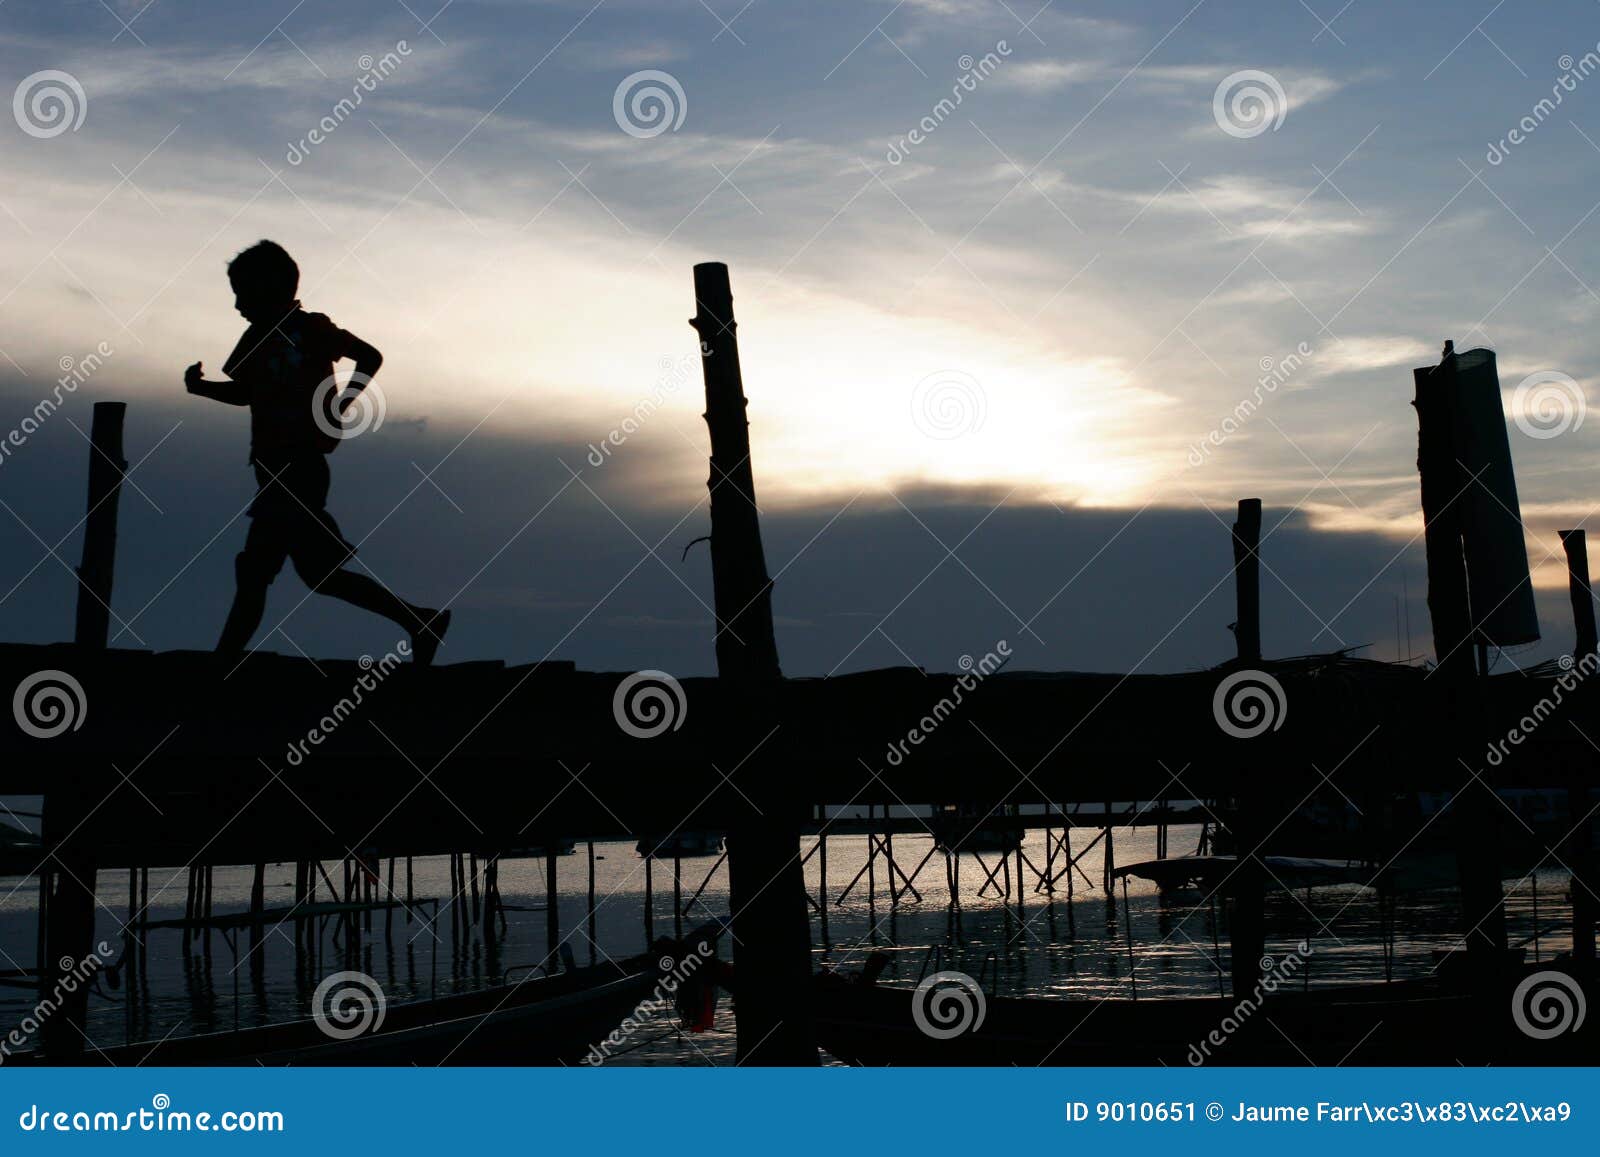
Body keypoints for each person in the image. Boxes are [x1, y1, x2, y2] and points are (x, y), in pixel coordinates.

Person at [184, 240, 449, 663]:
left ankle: (222, 663)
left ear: (271, 288)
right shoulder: (256, 339)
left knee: (256, 570)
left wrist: (342, 401)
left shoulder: (310, 330)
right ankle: (420, 621)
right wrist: (202, 389)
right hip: (274, 470)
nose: (237, 305)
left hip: (299, 469)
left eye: (243, 293)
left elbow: (369, 356)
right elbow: (248, 392)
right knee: (320, 576)